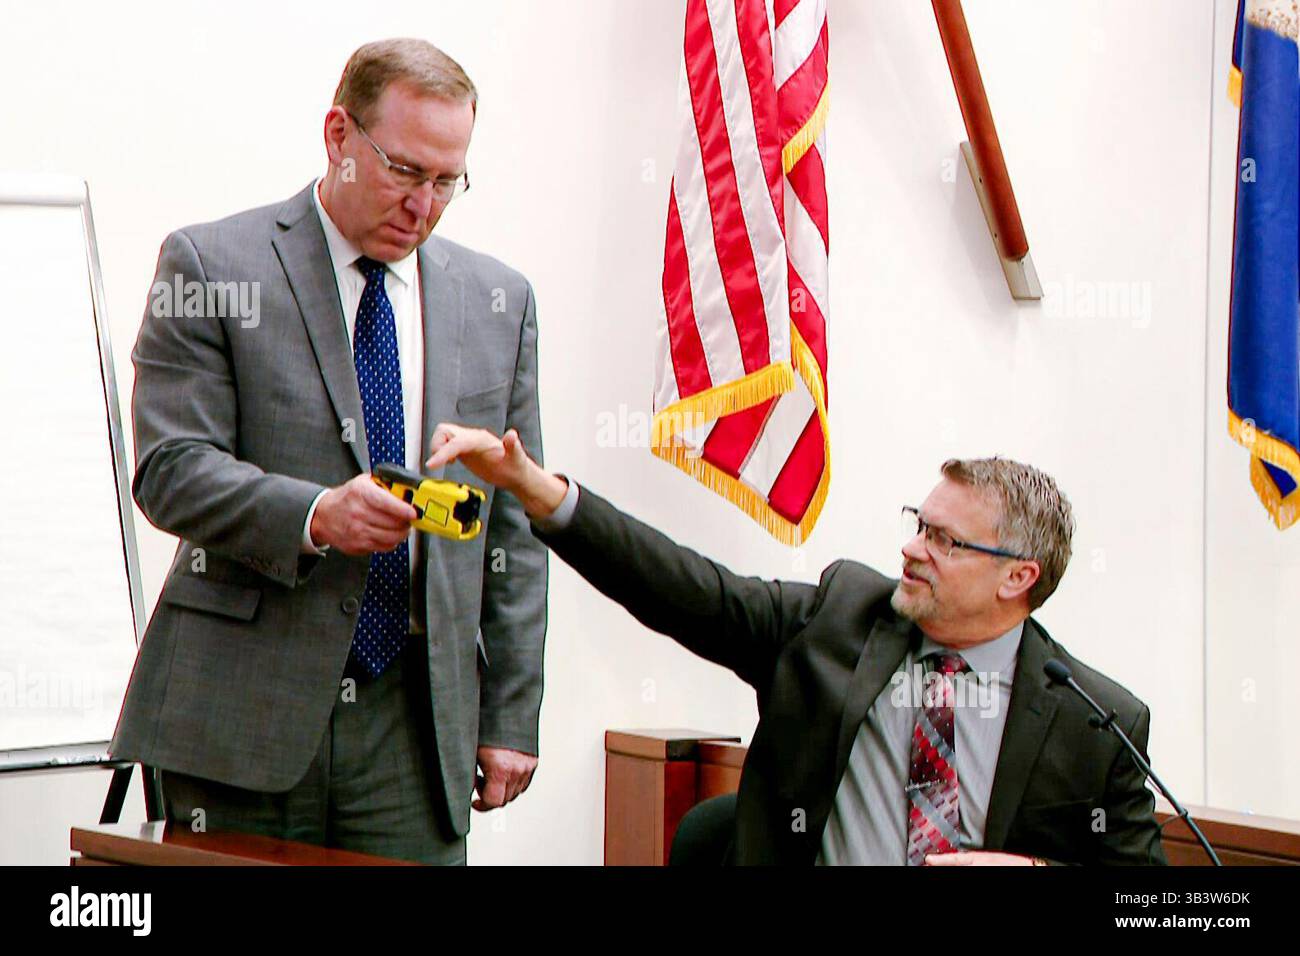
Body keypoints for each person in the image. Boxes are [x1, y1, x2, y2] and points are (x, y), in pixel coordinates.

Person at [110, 39, 548, 864]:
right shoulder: (210, 265)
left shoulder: (500, 304)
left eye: (446, 181)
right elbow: (171, 468)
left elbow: (515, 529)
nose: (424, 205)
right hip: (243, 715)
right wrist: (316, 515)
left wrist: (512, 716)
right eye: (403, 171)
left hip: (416, 731)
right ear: (338, 134)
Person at [424, 423, 1167, 865]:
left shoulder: (1096, 720)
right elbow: (685, 587)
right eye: (918, 522)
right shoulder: (840, 619)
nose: (912, 548)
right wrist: (534, 488)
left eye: (944, 540)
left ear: (1018, 578)